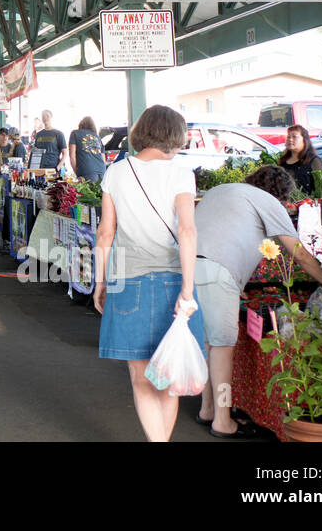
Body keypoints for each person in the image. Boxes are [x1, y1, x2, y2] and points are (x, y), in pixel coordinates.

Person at [193, 165, 322, 438]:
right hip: (216, 270)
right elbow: (300, 255)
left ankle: (208, 409)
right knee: (223, 345)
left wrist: (231, 282)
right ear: (281, 193)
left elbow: (218, 233)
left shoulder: (221, 190)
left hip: (188, 267)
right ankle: (222, 421)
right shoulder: (268, 201)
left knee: (210, 342)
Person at [93, 104, 205, 442]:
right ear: (175, 134)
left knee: (141, 377)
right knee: (168, 375)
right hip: (174, 282)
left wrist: (99, 282)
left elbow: (105, 233)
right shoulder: (181, 173)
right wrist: (188, 289)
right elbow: (187, 232)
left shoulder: (116, 172)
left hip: (128, 282)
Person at [276, 125, 322, 195]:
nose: (290, 139)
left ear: (304, 140)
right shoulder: (282, 162)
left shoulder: (314, 161)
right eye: (288, 137)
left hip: (308, 204)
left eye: (294, 137)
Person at [69, 116, 107, 183]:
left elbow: (72, 156)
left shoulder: (75, 133)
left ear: (81, 124)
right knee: (100, 192)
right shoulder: (97, 137)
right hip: (102, 170)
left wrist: (77, 172)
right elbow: (103, 159)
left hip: (87, 170)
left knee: (88, 192)